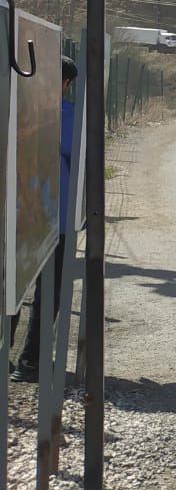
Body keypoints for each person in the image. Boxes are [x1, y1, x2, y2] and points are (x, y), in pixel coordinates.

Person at [11, 56, 77, 383]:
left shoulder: (18, 111)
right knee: (46, 293)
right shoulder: (72, 117)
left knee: (12, 287)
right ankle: (31, 363)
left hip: (19, 216)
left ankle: (10, 357)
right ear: (66, 84)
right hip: (55, 219)